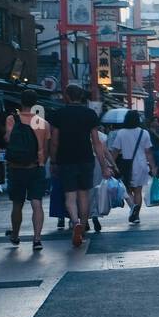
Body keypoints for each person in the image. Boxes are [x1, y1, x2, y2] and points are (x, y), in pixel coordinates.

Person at [47, 85, 112, 247]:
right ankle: (82, 226)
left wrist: (53, 161)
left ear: (67, 96)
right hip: (86, 159)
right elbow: (96, 143)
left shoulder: (58, 114)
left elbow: (54, 141)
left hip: (65, 159)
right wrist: (104, 166)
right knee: (84, 195)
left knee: (70, 196)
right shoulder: (89, 114)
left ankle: (74, 221)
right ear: (81, 97)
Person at [2, 91, 48, 250]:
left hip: (16, 168)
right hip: (36, 167)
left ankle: (15, 235)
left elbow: (8, 139)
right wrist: (43, 161)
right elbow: (45, 145)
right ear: (36, 103)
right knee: (37, 202)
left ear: (20, 102)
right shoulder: (39, 121)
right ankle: (37, 239)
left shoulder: (12, 119)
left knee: (17, 204)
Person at [107, 110, 155, 224]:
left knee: (126, 189)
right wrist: (153, 166)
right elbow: (148, 152)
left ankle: (133, 207)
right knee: (138, 191)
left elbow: (115, 151)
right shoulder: (144, 133)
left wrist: (110, 165)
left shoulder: (121, 133)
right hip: (142, 164)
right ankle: (136, 216)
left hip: (126, 164)